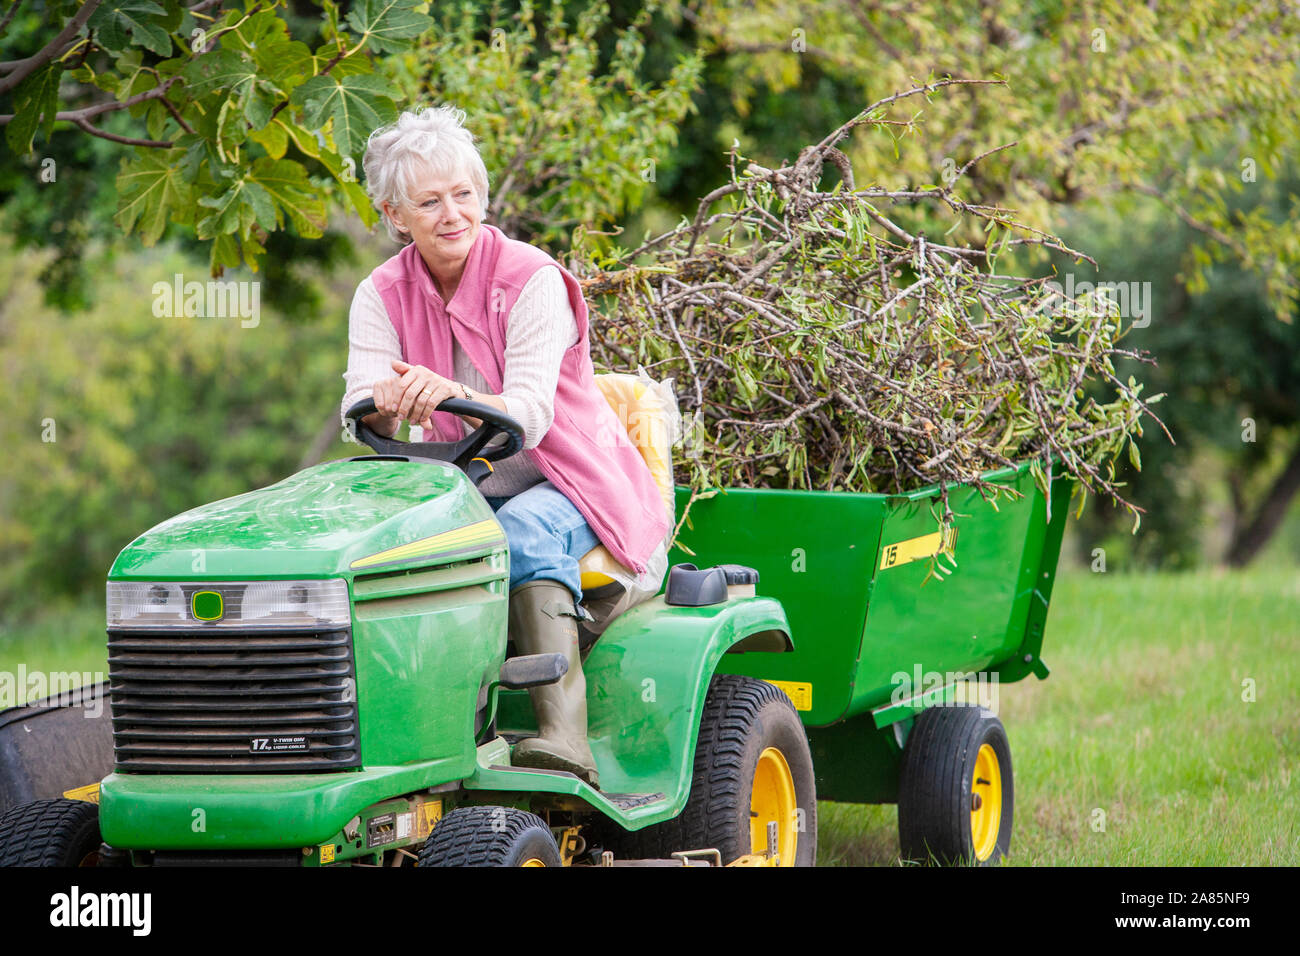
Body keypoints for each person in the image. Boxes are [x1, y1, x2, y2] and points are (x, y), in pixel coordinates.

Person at [340, 105, 671, 790]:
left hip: (573, 477)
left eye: (464, 194)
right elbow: (357, 404)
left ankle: (563, 736)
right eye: (429, 201)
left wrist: (437, 391)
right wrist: (386, 401)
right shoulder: (380, 293)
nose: (452, 213)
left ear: (482, 197)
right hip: (466, 479)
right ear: (394, 213)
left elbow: (530, 412)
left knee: (517, 530)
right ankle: (404, 730)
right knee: (381, 547)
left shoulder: (531, 279)